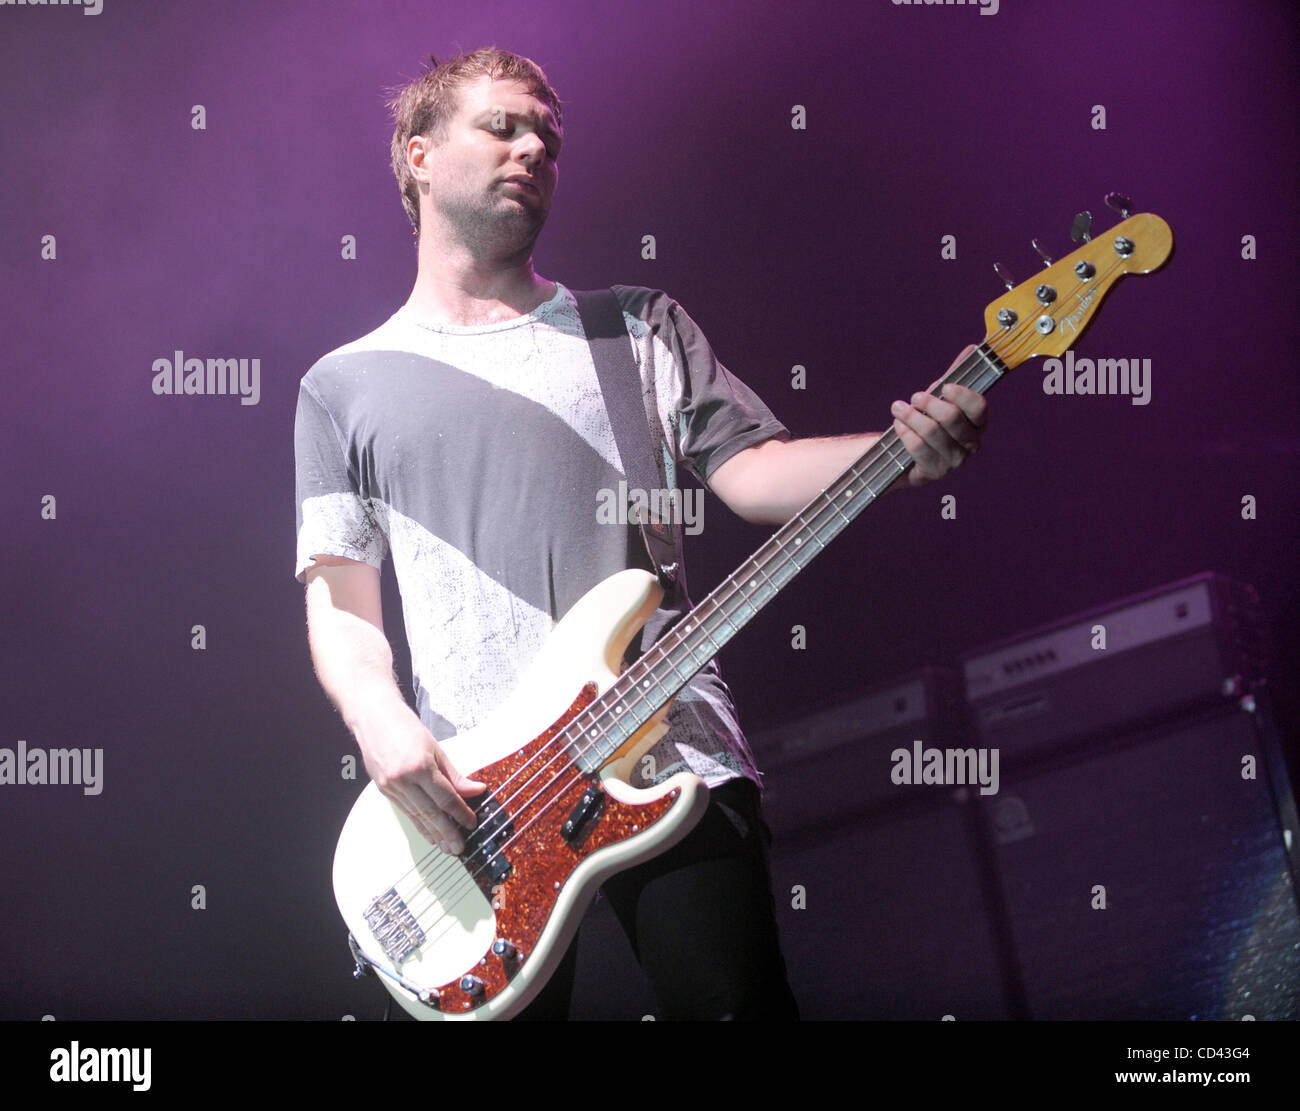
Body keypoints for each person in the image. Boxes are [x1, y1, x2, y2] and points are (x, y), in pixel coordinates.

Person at [294, 47, 988, 1020]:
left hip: (670, 751)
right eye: (502, 126)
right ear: (417, 155)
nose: (533, 146)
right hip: (475, 802)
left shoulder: (636, 328)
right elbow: (342, 600)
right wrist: (380, 725)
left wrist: (897, 449)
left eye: (548, 136)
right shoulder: (342, 386)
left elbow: (752, 475)